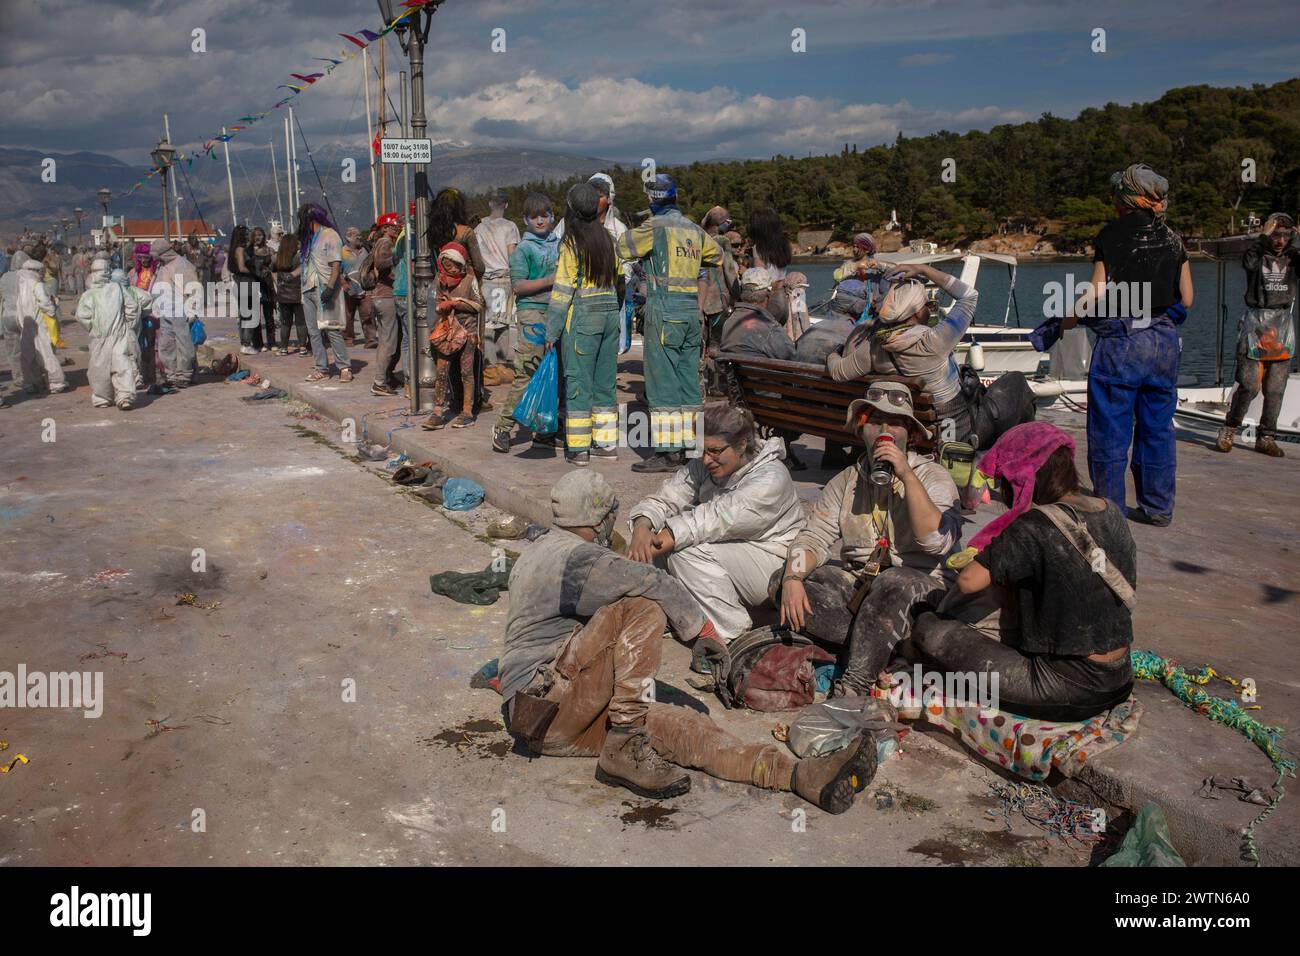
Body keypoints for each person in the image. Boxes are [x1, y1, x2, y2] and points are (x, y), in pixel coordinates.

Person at [500, 470, 879, 812]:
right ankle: (626, 741)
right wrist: (701, 631)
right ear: (602, 517)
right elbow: (654, 583)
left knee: (687, 731)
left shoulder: (539, 550)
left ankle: (799, 776)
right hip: (548, 704)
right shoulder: (578, 559)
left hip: (544, 725)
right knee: (643, 605)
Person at [913, 423, 1136, 721]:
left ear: (1022, 478)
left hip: (1065, 687)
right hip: (1119, 676)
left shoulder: (1034, 524)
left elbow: (968, 582)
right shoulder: (1110, 511)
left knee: (930, 628)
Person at [774, 383, 962, 698]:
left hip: (919, 589)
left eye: (894, 423)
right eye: (875, 421)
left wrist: (905, 474)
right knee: (782, 584)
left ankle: (854, 685)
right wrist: (793, 576)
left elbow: (935, 542)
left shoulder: (932, 477)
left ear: (910, 434)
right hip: (864, 589)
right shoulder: (846, 480)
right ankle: (881, 647)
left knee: (894, 581)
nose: (884, 431)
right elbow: (814, 536)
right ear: (862, 429)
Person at [1064, 163, 1193, 526]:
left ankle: (1110, 510)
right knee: (1158, 427)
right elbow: (1187, 299)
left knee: (1110, 428)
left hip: (1122, 344)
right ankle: (1158, 508)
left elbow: (1096, 292)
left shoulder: (1111, 235)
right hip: (1164, 345)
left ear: (1124, 200)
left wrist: (1067, 319)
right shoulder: (1173, 238)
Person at [627, 405, 804, 642]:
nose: (706, 459)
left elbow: (714, 519)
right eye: (702, 451)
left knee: (685, 551)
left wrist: (654, 542)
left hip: (775, 562)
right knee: (662, 535)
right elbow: (668, 497)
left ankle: (731, 635)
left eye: (714, 451)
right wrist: (642, 525)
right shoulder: (705, 463)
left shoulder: (771, 478)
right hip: (732, 549)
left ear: (742, 444)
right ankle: (678, 613)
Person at [616, 174, 723, 472]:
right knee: (689, 383)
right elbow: (717, 255)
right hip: (691, 312)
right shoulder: (692, 228)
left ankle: (667, 452)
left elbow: (622, 248)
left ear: (652, 201)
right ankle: (693, 446)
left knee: (662, 385)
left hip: (665, 312)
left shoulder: (655, 227)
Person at [829, 262, 982, 443]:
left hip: (906, 425)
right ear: (917, 312)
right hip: (949, 425)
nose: (929, 309)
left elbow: (837, 372)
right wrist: (924, 269)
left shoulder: (874, 346)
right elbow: (969, 296)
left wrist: (834, 352)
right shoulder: (934, 340)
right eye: (927, 305)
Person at [545, 182, 622, 466]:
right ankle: (606, 444)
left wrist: (551, 332)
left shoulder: (570, 242)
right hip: (610, 314)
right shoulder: (609, 239)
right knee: (605, 384)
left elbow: (562, 291)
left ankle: (578, 449)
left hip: (583, 319)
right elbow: (620, 280)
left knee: (578, 383)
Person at [1217, 212, 1299, 458]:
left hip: (1282, 324)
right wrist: (1262, 236)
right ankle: (1230, 428)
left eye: (1285, 235)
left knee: (1275, 387)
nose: (1280, 241)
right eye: (1276, 235)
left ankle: (1266, 437)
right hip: (1256, 322)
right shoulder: (1257, 254)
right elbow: (1248, 263)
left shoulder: (1294, 258)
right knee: (1250, 384)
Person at [492, 192, 560, 453]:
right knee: (527, 372)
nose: (541, 221)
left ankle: (543, 430)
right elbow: (518, 287)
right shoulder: (524, 249)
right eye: (535, 217)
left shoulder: (560, 244)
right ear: (526, 220)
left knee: (551, 373)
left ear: (552, 217)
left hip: (556, 313)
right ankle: (503, 426)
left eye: (545, 215)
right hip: (532, 314)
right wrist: (550, 280)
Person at [74, 258, 151, 409]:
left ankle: (107, 398)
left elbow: (82, 316)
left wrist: (94, 328)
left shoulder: (90, 294)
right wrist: (128, 325)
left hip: (105, 336)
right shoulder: (115, 289)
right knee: (117, 365)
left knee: (103, 367)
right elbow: (132, 307)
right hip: (117, 334)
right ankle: (123, 396)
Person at [423, 242, 483, 429]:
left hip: (468, 333)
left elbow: (478, 305)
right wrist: (442, 307)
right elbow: (434, 305)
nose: (451, 268)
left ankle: (467, 411)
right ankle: (438, 411)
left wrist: (455, 303)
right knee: (442, 372)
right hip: (447, 334)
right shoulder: (439, 282)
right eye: (447, 264)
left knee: (466, 372)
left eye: (455, 264)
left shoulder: (470, 280)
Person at [298, 204, 352, 382]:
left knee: (331, 329)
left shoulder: (330, 235)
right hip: (307, 288)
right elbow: (307, 265)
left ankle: (344, 367)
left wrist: (330, 288)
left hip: (325, 288)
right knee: (313, 331)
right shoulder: (309, 239)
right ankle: (321, 367)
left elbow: (336, 265)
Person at [473, 189, 521, 369]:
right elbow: (512, 255)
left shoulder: (479, 227)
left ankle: (487, 364)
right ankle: (499, 366)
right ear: (506, 205)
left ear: (489, 204)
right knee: (503, 323)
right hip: (503, 279)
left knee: (486, 324)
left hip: (485, 280)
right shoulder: (509, 227)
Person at [15, 243, 68, 393]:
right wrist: (53, 307)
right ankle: (55, 382)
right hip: (39, 325)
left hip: (25, 325)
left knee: (28, 357)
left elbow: (18, 306)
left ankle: (31, 384)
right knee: (46, 355)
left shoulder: (19, 285)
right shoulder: (36, 284)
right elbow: (45, 304)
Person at [148, 237, 199, 388]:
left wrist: (192, 310)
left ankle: (184, 374)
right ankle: (172, 373)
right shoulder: (163, 266)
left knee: (184, 344)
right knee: (166, 344)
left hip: (181, 310)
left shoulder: (182, 265)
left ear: (164, 253)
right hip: (166, 311)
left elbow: (194, 289)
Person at [717, 268, 796, 360]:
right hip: (759, 373)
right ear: (768, 293)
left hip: (734, 372)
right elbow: (793, 357)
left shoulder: (729, 321)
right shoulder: (769, 328)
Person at [368, 212, 404, 396]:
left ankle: (387, 376)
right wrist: (398, 257)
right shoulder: (385, 242)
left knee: (391, 340)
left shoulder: (385, 241)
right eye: (394, 226)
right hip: (385, 297)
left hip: (383, 297)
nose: (397, 228)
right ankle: (379, 382)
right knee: (388, 342)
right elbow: (381, 263)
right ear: (385, 228)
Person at [746, 205, 793, 326]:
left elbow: (759, 277)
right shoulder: (783, 244)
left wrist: (744, 271)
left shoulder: (759, 248)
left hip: (768, 300)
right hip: (782, 299)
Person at [0, 250, 30, 397]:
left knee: (12, 350)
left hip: (6, 316)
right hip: (22, 316)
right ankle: (30, 378)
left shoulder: (4, 277)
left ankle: (17, 377)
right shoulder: (25, 276)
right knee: (27, 348)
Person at [227, 226, 261, 355]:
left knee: (243, 315)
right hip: (246, 282)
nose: (248, 236)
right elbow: (241, 267)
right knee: (250, 315)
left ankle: (244, 343)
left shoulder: (233, 249)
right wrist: (255, 272)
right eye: (246, 234)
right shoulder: (240, 249)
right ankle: (246, 344)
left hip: (238, 283)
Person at [272, 234, 308, 355]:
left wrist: (278, 283)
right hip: (298, 294)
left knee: (285, 323)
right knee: (301, 322)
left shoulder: (278, 258)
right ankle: (302, 348)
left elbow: (272, 271)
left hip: (283, 295)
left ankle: (283, 348)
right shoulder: (298, 258)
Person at [341, 226, 375, 348]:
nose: (359, 237)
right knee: (348, 316)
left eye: (360, 235)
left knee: (368, 313)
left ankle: (370, 339)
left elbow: (372, 266)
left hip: (365, 288)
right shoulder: (342, 251)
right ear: (348, 238)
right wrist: (343, 283)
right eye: (356, 236)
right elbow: (337, 270)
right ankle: (348, 339)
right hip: (348, 288)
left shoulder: (365, 250)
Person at [248, 227, 277, 352]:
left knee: (269, 315)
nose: (258, 237)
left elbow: (274, 269)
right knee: (255, 316)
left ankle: (272, 341)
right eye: (256, 235)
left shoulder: (269, 251)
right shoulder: (248, 252)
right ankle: (258, 343)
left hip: (267, 285)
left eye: (260, 235)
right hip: (254, 284)